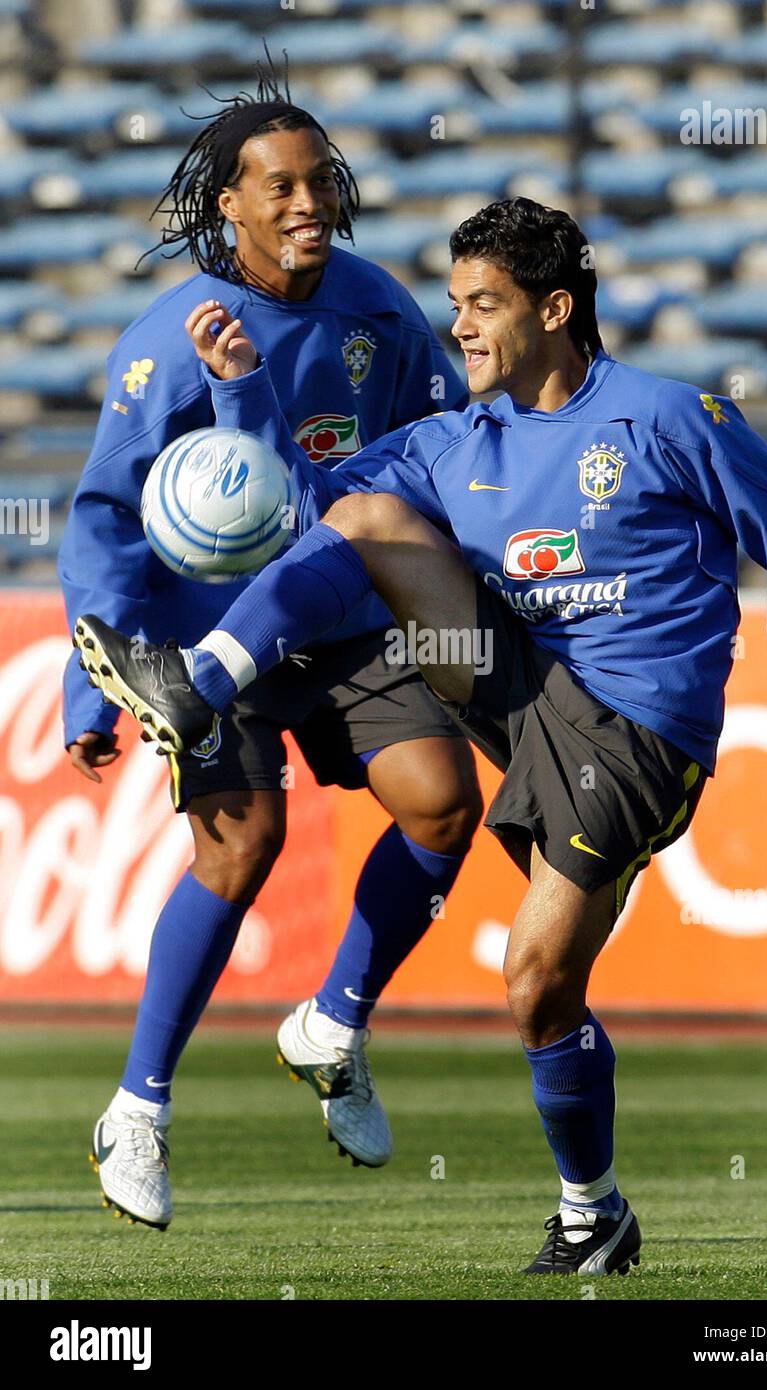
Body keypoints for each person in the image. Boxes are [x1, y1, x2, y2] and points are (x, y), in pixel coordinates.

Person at [75, 197, 767, 1273]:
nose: (461, 327)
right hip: (516, 687)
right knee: (363, 517)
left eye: (484, 304)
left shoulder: (671, 418)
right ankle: (204, 681)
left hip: (635, 727)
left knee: (536, 985)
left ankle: (591, 1212)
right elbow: (309, 512)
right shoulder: (455, 442)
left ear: (555, 309)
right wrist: (244, 388)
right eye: (454, 304)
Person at [60, 62, 482, 1232]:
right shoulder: (168, 340)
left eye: (319, 182)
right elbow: (105, 515)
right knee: (242, 846)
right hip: (213, 637)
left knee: (444, 807)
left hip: (343, 616)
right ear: (229, 206)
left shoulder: (378, 310)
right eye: (279, 187)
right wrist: (87, 684)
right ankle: (136, 1110)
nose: (307, 204)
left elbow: (444, 446)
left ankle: (332, 1024)